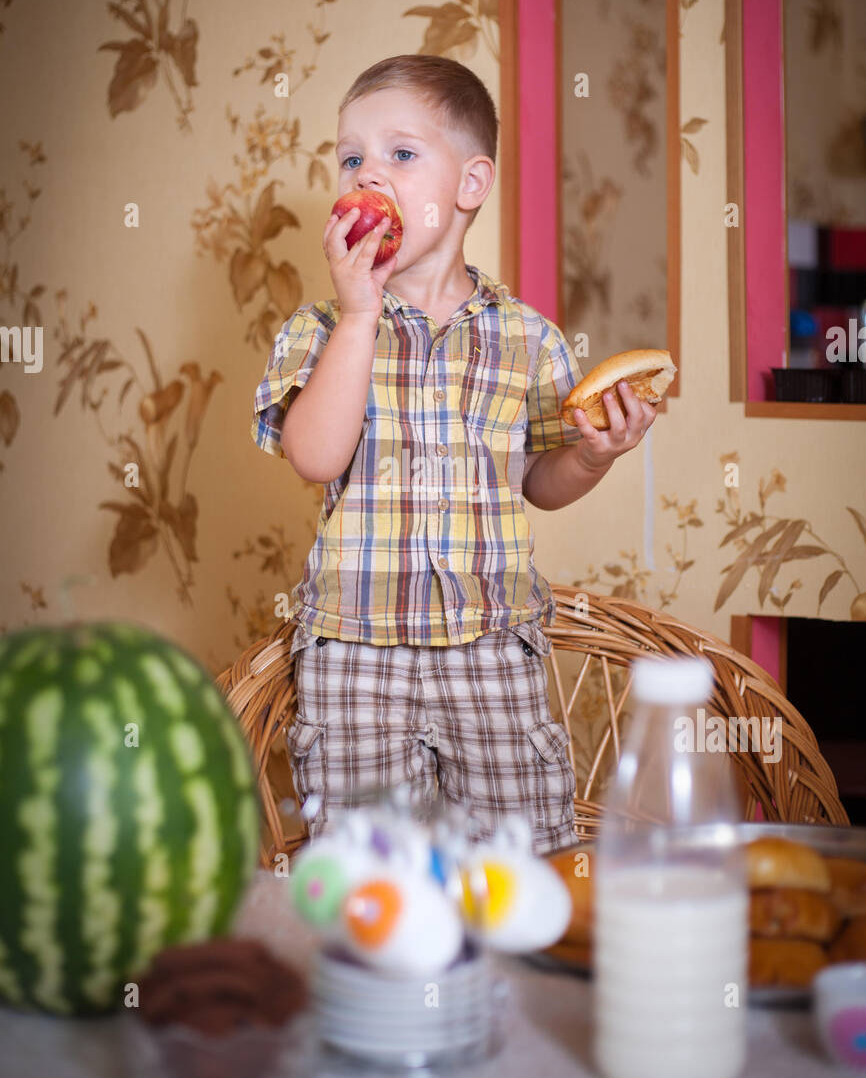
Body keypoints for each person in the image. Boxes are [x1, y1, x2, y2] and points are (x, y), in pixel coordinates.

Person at [250, 54, 657, 854]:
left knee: (521, 862)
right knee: (368, 875)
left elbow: (540, 480)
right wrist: (359, 314)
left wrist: (597, 455)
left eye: (401, 154)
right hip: (356, 649)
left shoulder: (529, 339)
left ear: (471, 185)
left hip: (492, 645)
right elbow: (315, 457)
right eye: (352, 158)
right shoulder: (322, 330)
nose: (369, 173)